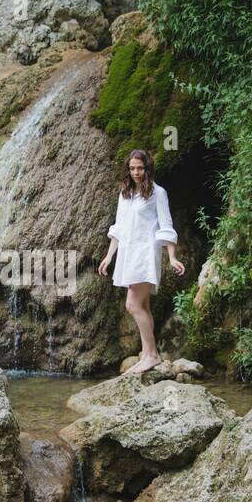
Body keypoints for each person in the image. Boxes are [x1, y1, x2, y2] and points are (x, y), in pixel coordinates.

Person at [98, 149, 185, 376]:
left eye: (140, 168)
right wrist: (109, 257)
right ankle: (147, 355)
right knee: (143, 306)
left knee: (132, 305)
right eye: (132, 168)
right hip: (128, 253)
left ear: (147, 168)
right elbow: (118, 228)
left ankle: (153, 355)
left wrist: (172, 256)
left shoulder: (158, 193)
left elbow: (166, 226)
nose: (136, 172)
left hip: (145, 253)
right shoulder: (125, 193)